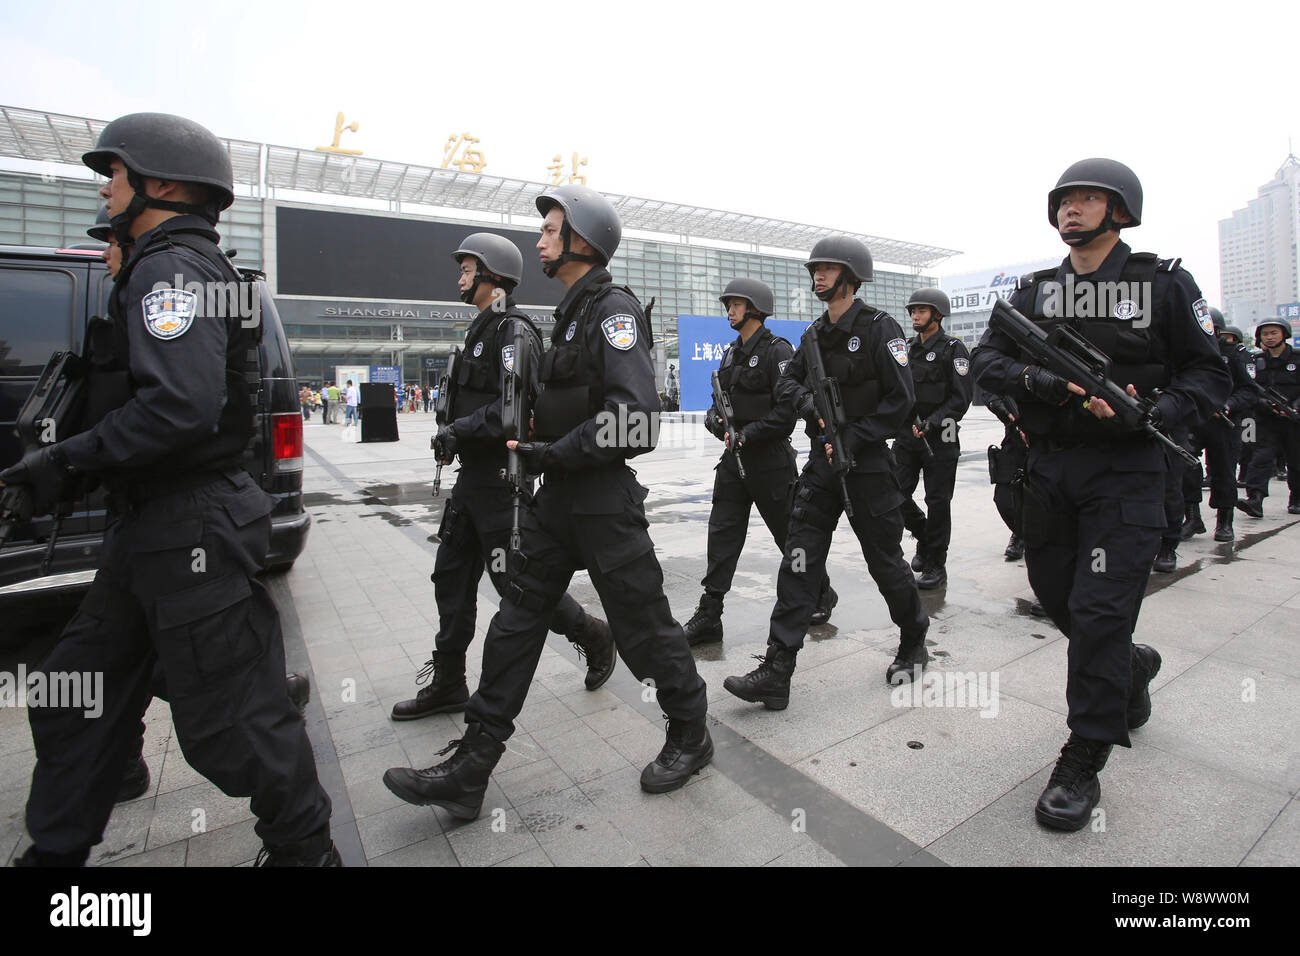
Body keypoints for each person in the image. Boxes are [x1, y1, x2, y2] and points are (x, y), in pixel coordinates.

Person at [1, 112, 337, 865]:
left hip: (189, 528)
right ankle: (52, 860)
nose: (106, 189)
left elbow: (178, 407)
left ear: (160, 182)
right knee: (71, 698)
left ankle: (306, 849)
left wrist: (66, 462)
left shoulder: (172, 270)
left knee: (233, 729)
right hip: (147, 529)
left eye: (114, 173)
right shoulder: (171, 267)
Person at [383, 185, 710, 818]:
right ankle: (472, 766)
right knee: (515, 623)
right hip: (557, 500)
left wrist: (554, 453)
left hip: (602, 501)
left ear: (582, 240)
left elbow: (638, 420)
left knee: (643, 629)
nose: (539, 241)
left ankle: (691, 731)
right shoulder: (569, 314)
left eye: (551, 230)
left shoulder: (612, 311)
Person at [971, 157, 1229, 832]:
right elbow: (986, 363)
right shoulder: (1034, 293)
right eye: (1064, 201)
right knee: (1058, 597)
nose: (1072, 209)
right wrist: (1048, 383)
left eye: (1088, 199)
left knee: (1101, 613)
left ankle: (1084, 751)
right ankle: (1131, 667)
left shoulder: (1164, 285)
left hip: (1130, 471)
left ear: (1120, 210)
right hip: (1051, 470)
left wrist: (1160, 410)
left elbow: (1210, 374)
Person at [389, 232, 614, 723]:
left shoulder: (513, 332)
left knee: (516, 583)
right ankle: (449, 682)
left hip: (499, 482)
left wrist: (459, 429)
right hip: (472, 483)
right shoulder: (480, 330)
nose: (461, 278)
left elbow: (513, 410)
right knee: (450, 578)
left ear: (493, 278)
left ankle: (594, 635)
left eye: (468, 270)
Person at [723, 235, 930, 711]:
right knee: (798, 556)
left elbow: (902, 402)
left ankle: (914, 637)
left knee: (884, 561)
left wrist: (855, 435)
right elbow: (790, 381)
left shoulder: (882, 329)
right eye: (815, 268)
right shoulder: (813, 336)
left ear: (851, 276)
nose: (818, 274)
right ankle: (778, 667)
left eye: (828, 268)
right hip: (821, 464)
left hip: (870, 465)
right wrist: (808, 405)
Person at [681, 277, 833, 645]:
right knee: (722, 535)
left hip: (770, 462)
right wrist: (716, 421)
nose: (729, 310)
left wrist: (749, 433)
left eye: (736, 304)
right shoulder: (731, 352)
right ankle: (710, 613)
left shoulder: (777, 352)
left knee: (790, 536)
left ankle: (820, 593)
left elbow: (786, 413)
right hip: (734, 461)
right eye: (729, 304)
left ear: (755, 308)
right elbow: (717, 403)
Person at [893, 288, 973, 589]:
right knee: (894, 493)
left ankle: (936, 564)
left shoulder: (953, 349)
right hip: (906, 436)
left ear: (937, 315)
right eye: (913, 310)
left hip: (940, 438)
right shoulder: (907, 350)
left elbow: (961, 398)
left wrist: (933, 422)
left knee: (938, 501)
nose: (915, 315)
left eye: (922, 311)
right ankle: (925, 536)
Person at [1180, 315, 1255, 540]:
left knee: (1223, 470)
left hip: (1224, 422)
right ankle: (1192, 517)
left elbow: (1249, 390)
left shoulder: (1235, 355)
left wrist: (1228, 404)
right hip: (1194, 418)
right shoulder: (1185, 351)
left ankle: (1224, 521)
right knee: (1187, 466)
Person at [1236, 318, 1300, 517]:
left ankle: (1296, 498)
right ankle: (1255, 498)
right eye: (1265, 334)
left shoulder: (1297, 358)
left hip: (1294, 419)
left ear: (1284, 334)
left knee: (1296, 460)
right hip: (1266, 419)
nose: (1269, 337)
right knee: (1261, 457)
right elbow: (1249, 389)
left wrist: (1295, 407)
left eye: (1274, 333)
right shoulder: (1255, 361)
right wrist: (1263, 404)